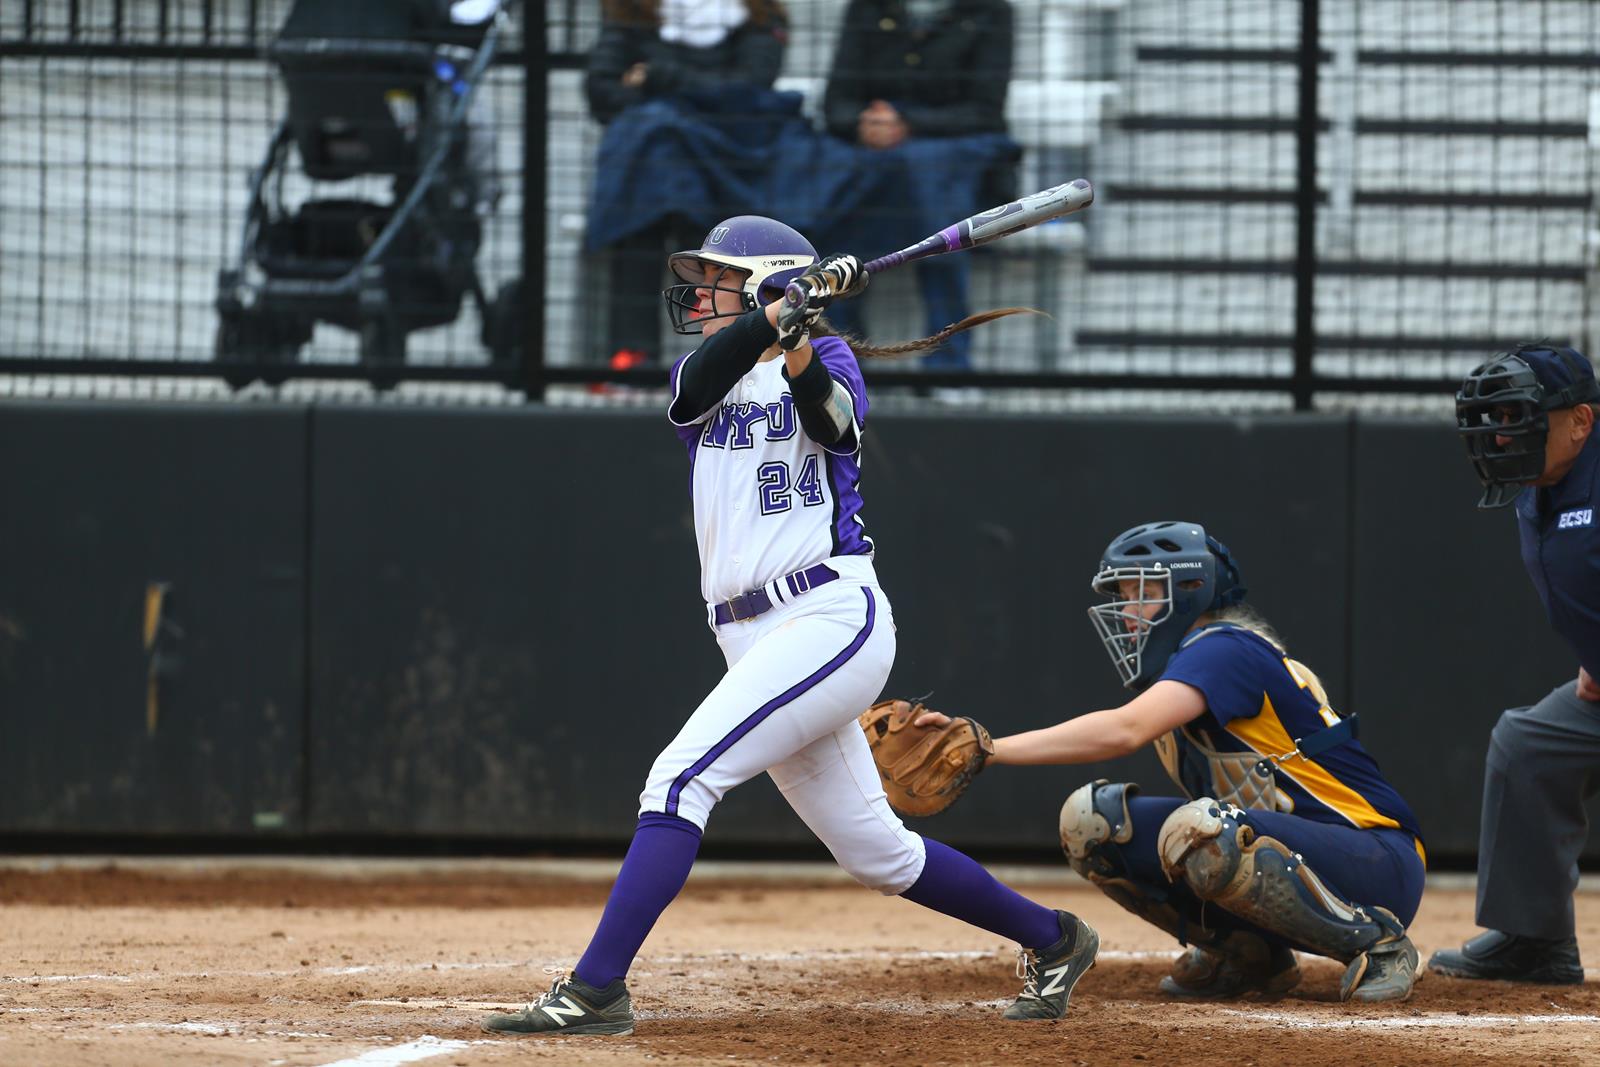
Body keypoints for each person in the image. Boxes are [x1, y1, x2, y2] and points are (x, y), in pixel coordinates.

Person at [481, 216, 1093, 1037]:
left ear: (765, 278)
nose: (698, 293)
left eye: (716, 278)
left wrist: (801, 338)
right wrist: (772, 317)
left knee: (678, 780)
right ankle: (1055, 939)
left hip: (828, 613)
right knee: (878, 851)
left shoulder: (828, 359)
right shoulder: (707, 372)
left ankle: (595, 990)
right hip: (745, 633)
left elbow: (834, 421)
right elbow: (701, 378)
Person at [918, 521, 1427, 1002]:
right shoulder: (1194, 659)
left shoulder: (1223, 647)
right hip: (1303, 852)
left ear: (1190, 591)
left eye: (1142, 592)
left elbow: (1124, 730)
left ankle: (1379, 944)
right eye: (1124, 596)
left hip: (1377, 862)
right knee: (1092, 820)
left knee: (1201, 826)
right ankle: (1249, 954)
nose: (1127, 611)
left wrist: (991, 748)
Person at [1429, 344, 1600, 985]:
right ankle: (1536, 939)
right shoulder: (1540, 481)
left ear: (1580, 420)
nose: (1504, 433)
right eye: (1497, 416)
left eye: (1520, 415)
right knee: (1529, 745)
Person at [584, 0, 790, 370]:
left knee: (672, 170)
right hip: (651, 162)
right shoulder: (631, 12)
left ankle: (637, 357)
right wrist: (685, 99)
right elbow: (601, 93)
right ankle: (711, 359)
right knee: (661, 155)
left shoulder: (759, 14)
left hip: (727, 159)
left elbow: (749, 91)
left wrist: (655, 77)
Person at [818, 0, 1016, 374]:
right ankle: (838, 364)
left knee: (931, 192)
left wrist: (907, 123)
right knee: (849, 184)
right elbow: (837, 103)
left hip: (951, 152)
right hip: (870, 155)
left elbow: (985, 111)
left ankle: (949, 369)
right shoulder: (866, 8)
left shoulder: (990, 10)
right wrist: (869, 125)